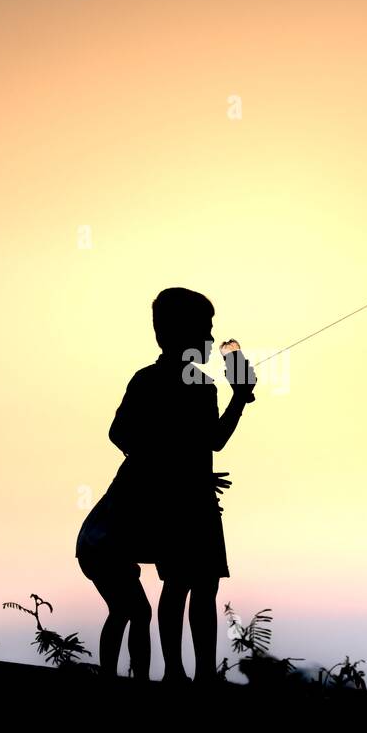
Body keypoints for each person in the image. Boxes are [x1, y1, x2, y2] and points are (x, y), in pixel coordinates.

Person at [76, 287, 255, 683]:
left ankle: (191, 673)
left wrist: (239, 398)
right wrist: (237, 400)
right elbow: (125, 434)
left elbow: (209, 440)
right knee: (188, 585)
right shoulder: (168, 383)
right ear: (178, 333)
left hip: (192, 499)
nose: (211, 340)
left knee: (194, 585)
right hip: (182, 502)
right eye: (205, 330)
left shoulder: (181, 384)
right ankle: (185, 673)